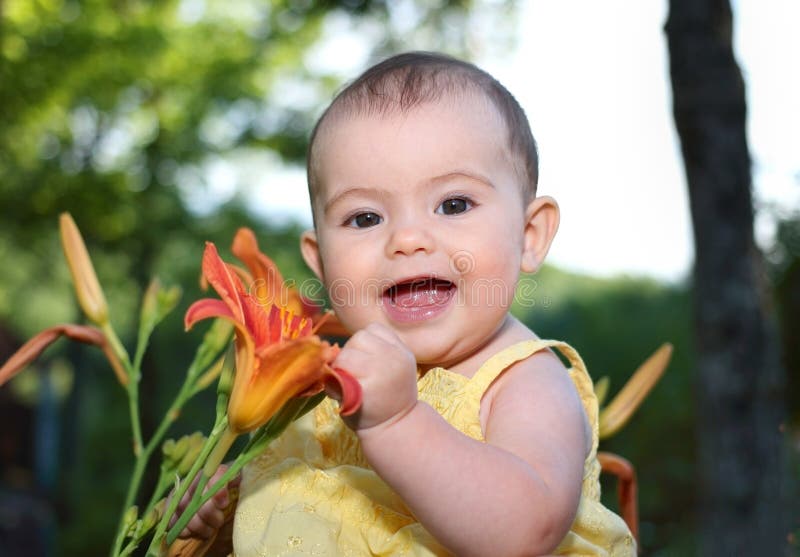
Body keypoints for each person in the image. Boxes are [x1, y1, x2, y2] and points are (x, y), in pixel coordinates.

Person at [178, 51, 635, 556]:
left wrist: (397, 423)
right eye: (365, 218)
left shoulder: (524, 381)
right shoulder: (317, 394)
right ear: (321, 262)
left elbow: (526, 533)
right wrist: (220, 512)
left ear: (529, 235)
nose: (408, 238)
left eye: (454, 204)